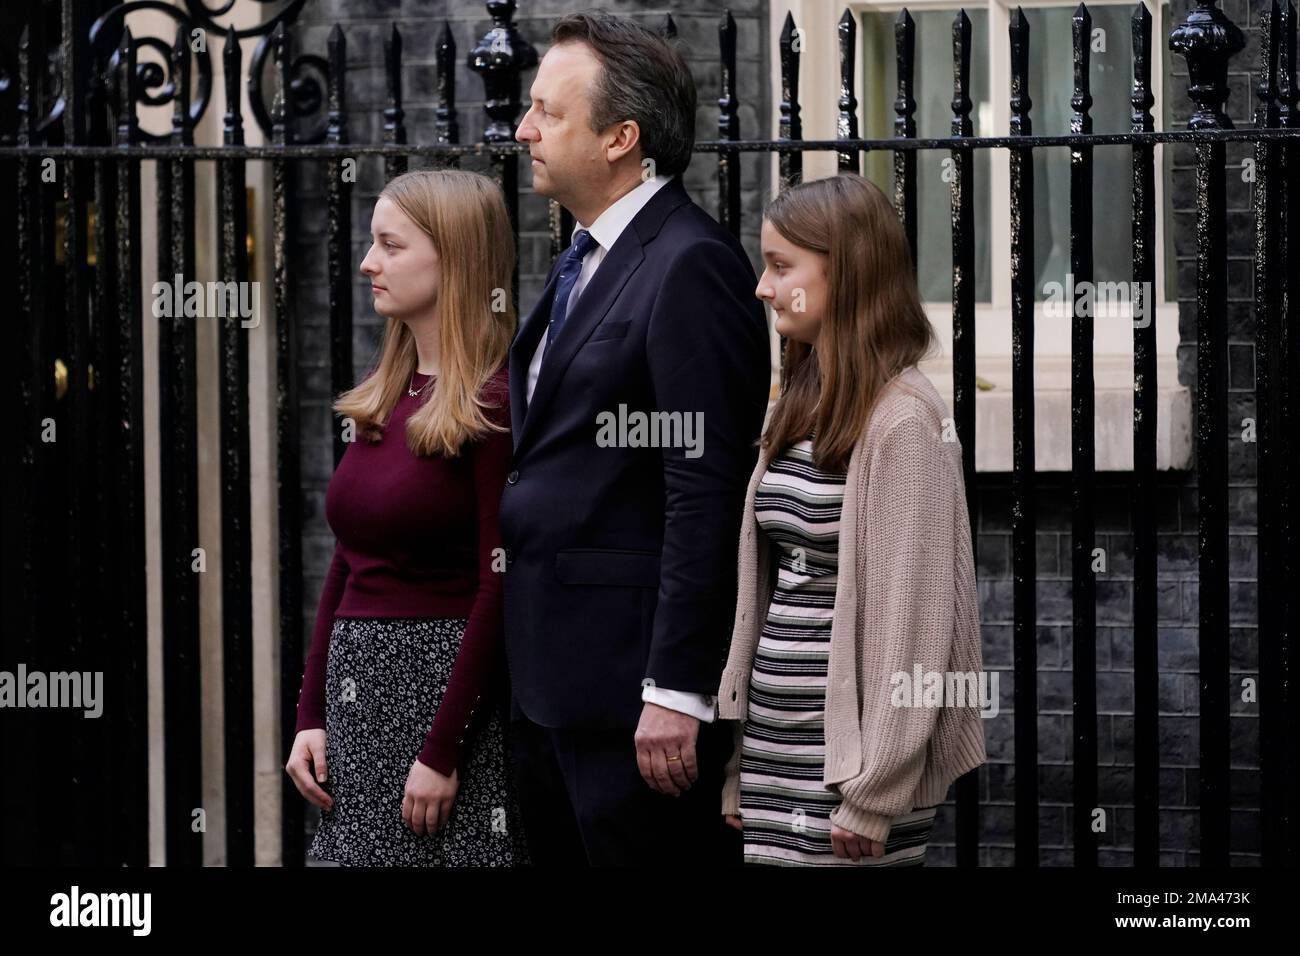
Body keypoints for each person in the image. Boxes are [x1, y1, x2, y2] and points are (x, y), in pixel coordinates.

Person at [500, 13, 770, 866]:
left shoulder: (690, 263)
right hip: (548, 685)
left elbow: (705, 490)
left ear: (621, 137)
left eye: (548, 111)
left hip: (633, 702)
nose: (523, 129)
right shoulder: (583, 257)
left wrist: (677, 689)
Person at [717, 172, 987, 866]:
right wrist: (741, 762)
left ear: (850, 272)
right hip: (779, 753)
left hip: (853, 773)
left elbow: (918, 618)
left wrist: (876, 791)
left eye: (781, 267)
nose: (762, 286)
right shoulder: (797, 402)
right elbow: (775, 597)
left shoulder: (904, 420)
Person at [285, 169, 529, 866]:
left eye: (391, 246)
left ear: (452, 260)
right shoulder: (387, 395)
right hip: (357, 702)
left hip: (440, 699)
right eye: (372, 244)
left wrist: (443, 749)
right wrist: (311, 715)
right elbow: (346, 562)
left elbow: (498, 583)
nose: (369, 263)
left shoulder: (492, 403)